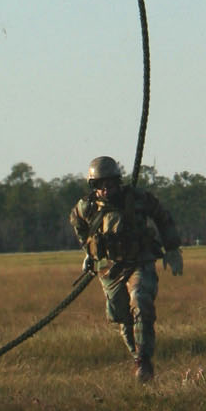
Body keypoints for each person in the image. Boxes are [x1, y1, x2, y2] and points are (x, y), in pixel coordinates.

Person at [69, 155, 183, 382]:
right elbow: (76, 223)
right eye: (100, 185)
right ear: (93, 186)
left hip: (139, 262)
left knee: (140, 300)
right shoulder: (86, 207)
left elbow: (162, 216)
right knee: (121, 316)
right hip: (109, 269)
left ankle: (143, 360)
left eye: (110, 184)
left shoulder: (137, 199)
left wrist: (172, 248)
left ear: (117, 182)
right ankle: (136, 357)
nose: (106, 189)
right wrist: (89, 252)